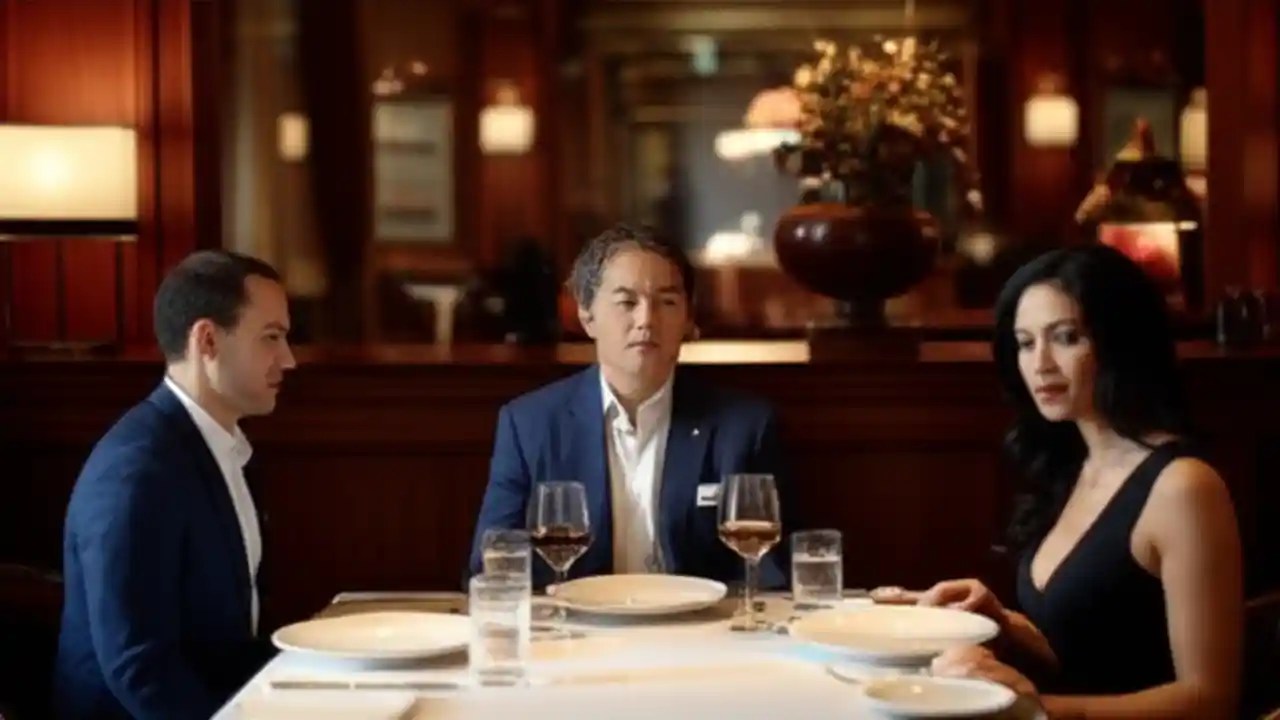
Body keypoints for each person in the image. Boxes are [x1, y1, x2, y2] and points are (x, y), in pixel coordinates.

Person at [888, 245, 1242, 718]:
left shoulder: (1183, 487)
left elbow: (1210, 700)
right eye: (1026, 342)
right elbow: (1091, 652)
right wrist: (1001, 622)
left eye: (1067, 337)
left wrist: (1032, 710)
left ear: (1120, 341)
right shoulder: (1073, 464)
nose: (1041, 365)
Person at [468, 223, 790, 590]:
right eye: (626, 303)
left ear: (688, 319)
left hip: (698, 631)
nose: (646, 320)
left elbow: (771, 572)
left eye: (667, 302)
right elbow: (492, 563)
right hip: (579, 631)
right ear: (587, 316)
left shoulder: (743, 426)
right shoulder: (529, 424)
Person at [55, 250, 297, 719]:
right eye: (271, 338)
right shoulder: (137, 471)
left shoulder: (223, 450)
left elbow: (226, 644)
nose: (288, 360)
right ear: (206, 340)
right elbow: (138, 666)